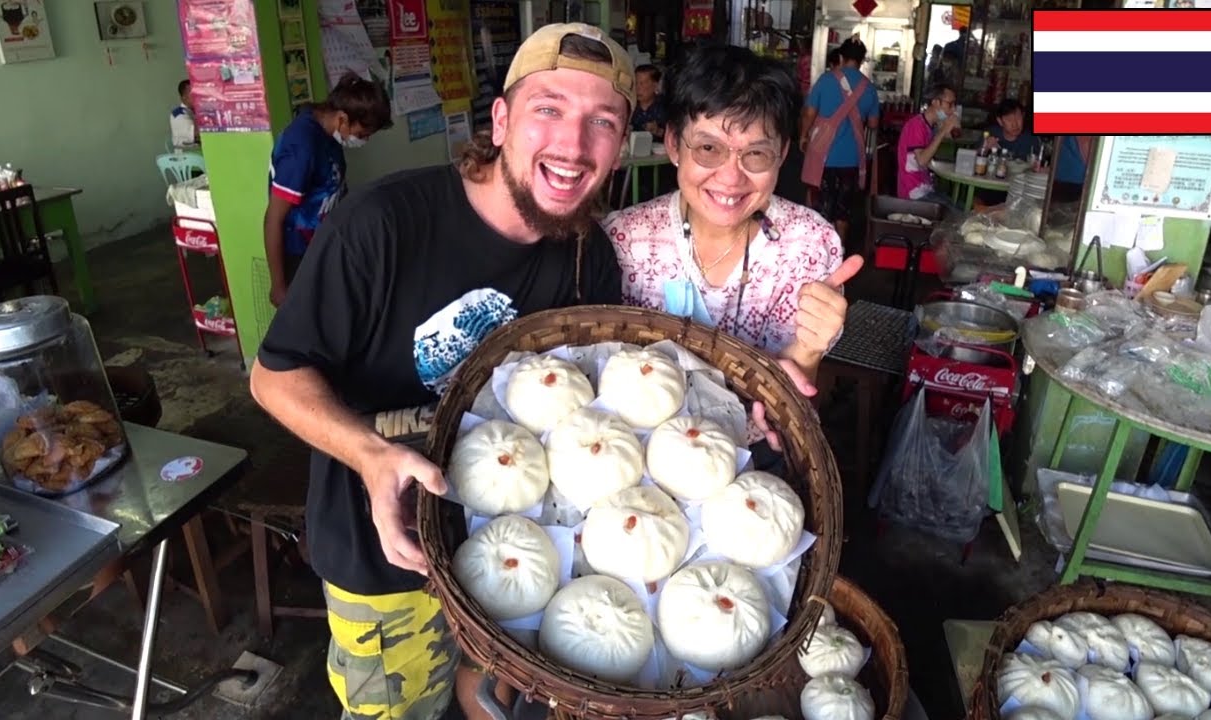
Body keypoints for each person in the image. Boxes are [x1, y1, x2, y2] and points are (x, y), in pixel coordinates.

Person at [248, 23, 635, 720]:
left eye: (601, 122)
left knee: (492, 703)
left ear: (621, 144)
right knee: (395, 713)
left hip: (522, 552)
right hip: (386, 553)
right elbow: (274, 377)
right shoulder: (380, 225)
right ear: (501, 118)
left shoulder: (587, 254)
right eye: (548, 108)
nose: (573, 146)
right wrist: (370, 453)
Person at [604, 44, 862, 446]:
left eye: (756, 154)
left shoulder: (807, 246)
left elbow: (793, 406)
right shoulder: (625, 242)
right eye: (708, 149)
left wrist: (808, 351)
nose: (730, 178)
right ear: (674, 145)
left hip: (750, 457)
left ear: (782, 156)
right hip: (632, 452)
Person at [264, 72, 392, 307]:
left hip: (324, 246)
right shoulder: (301, 148)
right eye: (362, 134)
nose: (364, 140)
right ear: (343, 119)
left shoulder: (328, 131)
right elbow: (273, 219)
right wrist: (279, 286)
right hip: (299, 255)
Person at [798, 37, 880, 244]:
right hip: (851, 159)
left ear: (841, 57)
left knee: (820, 209)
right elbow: (873, 123)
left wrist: (803, 135)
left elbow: (808, 112)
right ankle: (839, 255)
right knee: (843, 213)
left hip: (823, 156)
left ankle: (818, 256)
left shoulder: (826, 80)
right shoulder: (868, 88)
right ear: (862, 61)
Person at [896, 82, 960, 207]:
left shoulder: (930, 125)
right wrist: (942, 132)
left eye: (954, 105)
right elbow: (922, 160)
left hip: (925, 188)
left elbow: (954, 136)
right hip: (913, 193)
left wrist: (951, 127)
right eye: (950, 104)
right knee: (957, 214)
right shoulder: (916, 125)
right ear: (936, 102)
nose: (953, 109)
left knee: (959, 207)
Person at [631, 63, 666, 141]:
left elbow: (676, 137)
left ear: (655, 85)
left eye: (642, 84)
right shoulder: (630, 106)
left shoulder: (665, 106)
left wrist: (658, 131)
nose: (637, 88)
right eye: (636, 83)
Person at [170, 79, 199, 149]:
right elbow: (196, 135)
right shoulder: (178, 114)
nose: (196, 96)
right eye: (192, 94)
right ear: (183, 97)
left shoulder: (195, 111)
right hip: (187, 155)